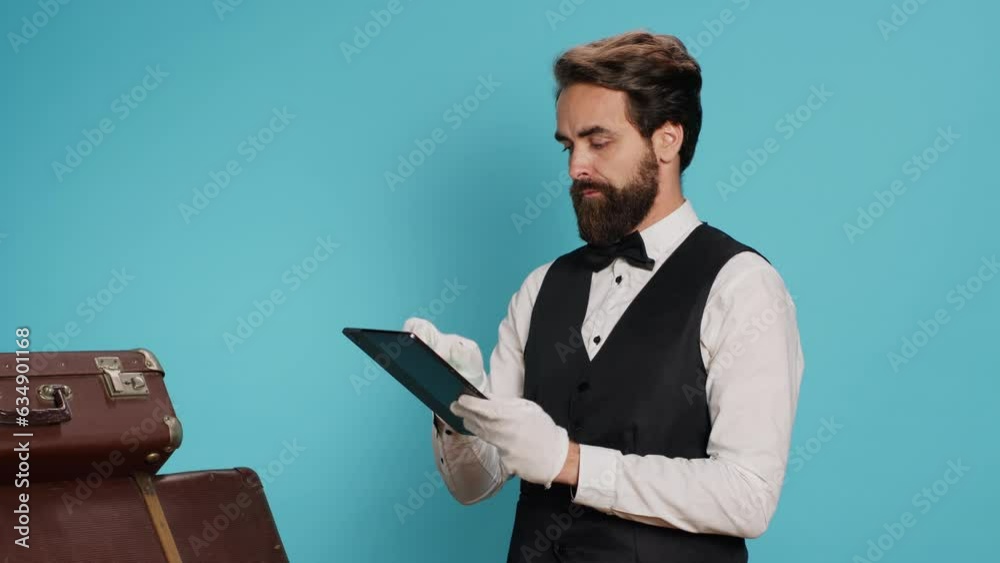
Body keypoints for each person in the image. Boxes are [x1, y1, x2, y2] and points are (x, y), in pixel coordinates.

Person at [403, 29, 804, 563]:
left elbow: (748, 496)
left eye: (599, 141)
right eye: (569, 146)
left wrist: (571, 463)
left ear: (667, 139)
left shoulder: (742, 285)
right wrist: (457, 411)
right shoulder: (540, 287)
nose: (575, 168)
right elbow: (476, 485)